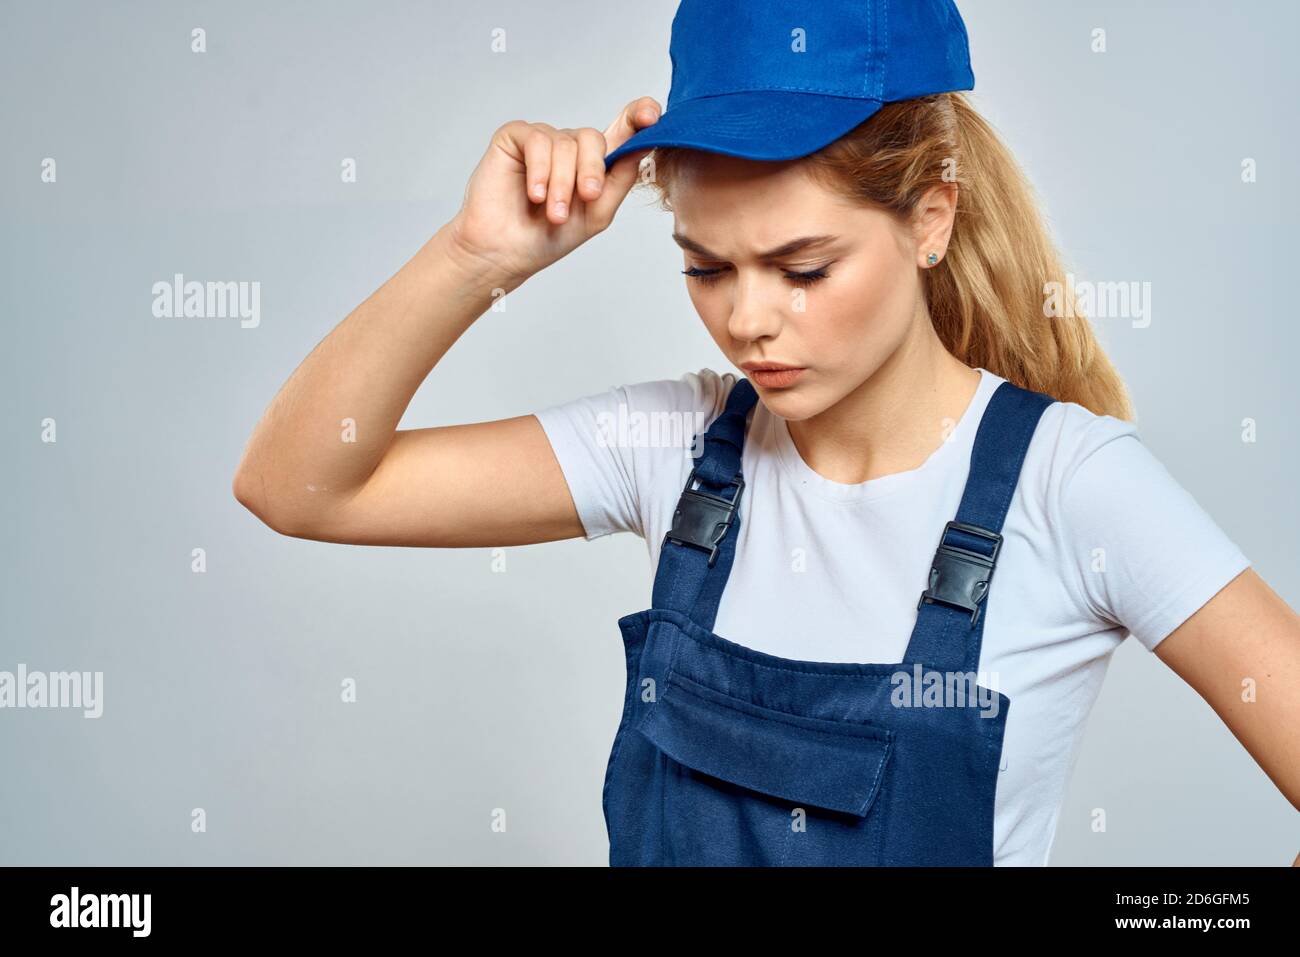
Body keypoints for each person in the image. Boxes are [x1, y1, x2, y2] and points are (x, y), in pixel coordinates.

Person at [232, 0, 1300, 866]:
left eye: (802, 269)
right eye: (703, 266)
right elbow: (300, 486)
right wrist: (476, 257)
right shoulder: (672, 450)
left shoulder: (1071, 489)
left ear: (930, 218)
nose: (747, 319)